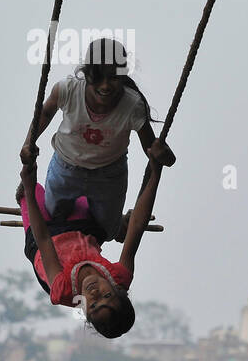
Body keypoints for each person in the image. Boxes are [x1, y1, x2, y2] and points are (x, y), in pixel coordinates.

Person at [20, 37, 174, 243]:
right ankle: (28, 194)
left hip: (109, 175)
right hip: (67, 167)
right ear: (86, 74)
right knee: (53, 214)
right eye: (98, 77)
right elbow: (45, 113)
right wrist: (29, 142)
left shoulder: (132, 106)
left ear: (123, 76)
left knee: (108, 231)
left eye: (113, 78)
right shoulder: (68, 90)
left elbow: (152, 150)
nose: (106, 85)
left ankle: (119, 224)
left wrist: (164, 156)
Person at [18, 153, 164, 339]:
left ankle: (29, 193)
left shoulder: (63, 290)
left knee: (31, 191)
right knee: (88, 186)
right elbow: (137, 226)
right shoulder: (119, 276)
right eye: (107, 296)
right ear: (118, 291)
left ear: (85, 312)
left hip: (44, 238)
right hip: (83, 232)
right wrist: (155, 169)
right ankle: (118, 226)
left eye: (93, 306)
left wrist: (29, 189)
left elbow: (44, 240)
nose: (95, 294)